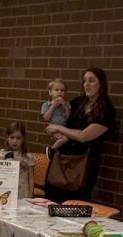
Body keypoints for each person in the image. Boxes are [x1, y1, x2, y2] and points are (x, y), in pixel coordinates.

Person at [45, 67, 117, 203]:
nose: (87, 84)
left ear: (101, 84)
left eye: (91, 81)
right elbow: (62, 123)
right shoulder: (77, 102)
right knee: (51, 201)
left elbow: (83, 136)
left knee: (74, 205)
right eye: (84, 81)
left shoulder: (106, 109)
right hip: (61, 159)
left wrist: (59, 128)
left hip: (83, 163)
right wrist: (55, 130)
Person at [0, 121, 37, 194]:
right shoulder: (3, 154)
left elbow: (31, 178)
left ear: (23, 139)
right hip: (6, 191)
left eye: (18, 138)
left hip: (22, 192)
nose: (15, 141)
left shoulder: (28, 156)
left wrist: (31, 195)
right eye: (12, 137)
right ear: (7, 138)